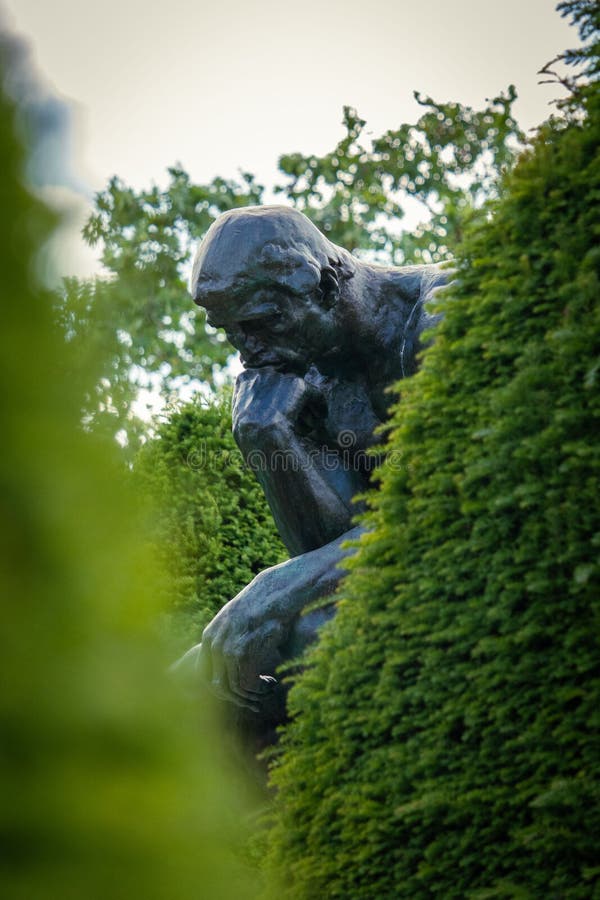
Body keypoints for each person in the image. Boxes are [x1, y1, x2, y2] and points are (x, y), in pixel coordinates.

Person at [178, 205, 448, 728]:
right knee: (184, 694)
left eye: (262, 322)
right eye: (230, 332)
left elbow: (454, 515)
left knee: (304, 635)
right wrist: (269, 441)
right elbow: (329, 556)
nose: (250, 354)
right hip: (399, 586)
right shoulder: (303, 375)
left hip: (483, 566)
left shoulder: (441, 316)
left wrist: (272, 590)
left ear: (324, 286)